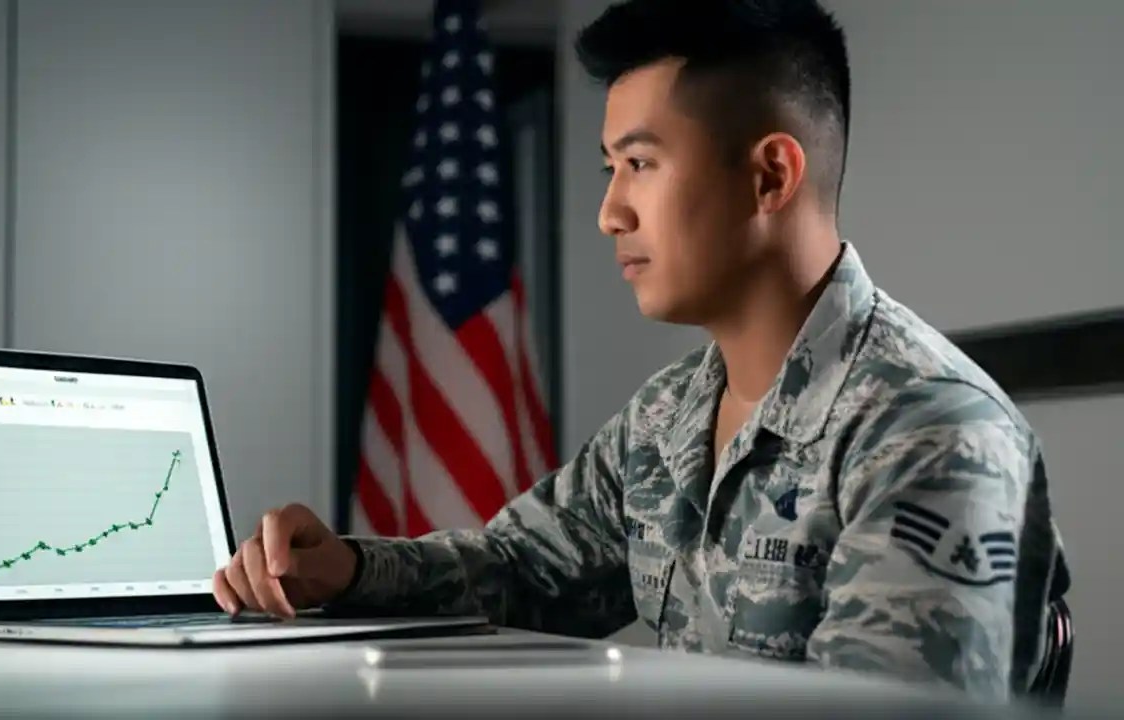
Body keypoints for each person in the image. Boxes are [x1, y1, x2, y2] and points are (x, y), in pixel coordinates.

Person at [213, 0, 1068, 702]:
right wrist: (346, 569)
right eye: (608, 170)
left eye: (642, 164)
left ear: (771, 176)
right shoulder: (668, 415)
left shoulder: (932, 433)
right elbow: (521, 571)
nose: (610, 214)